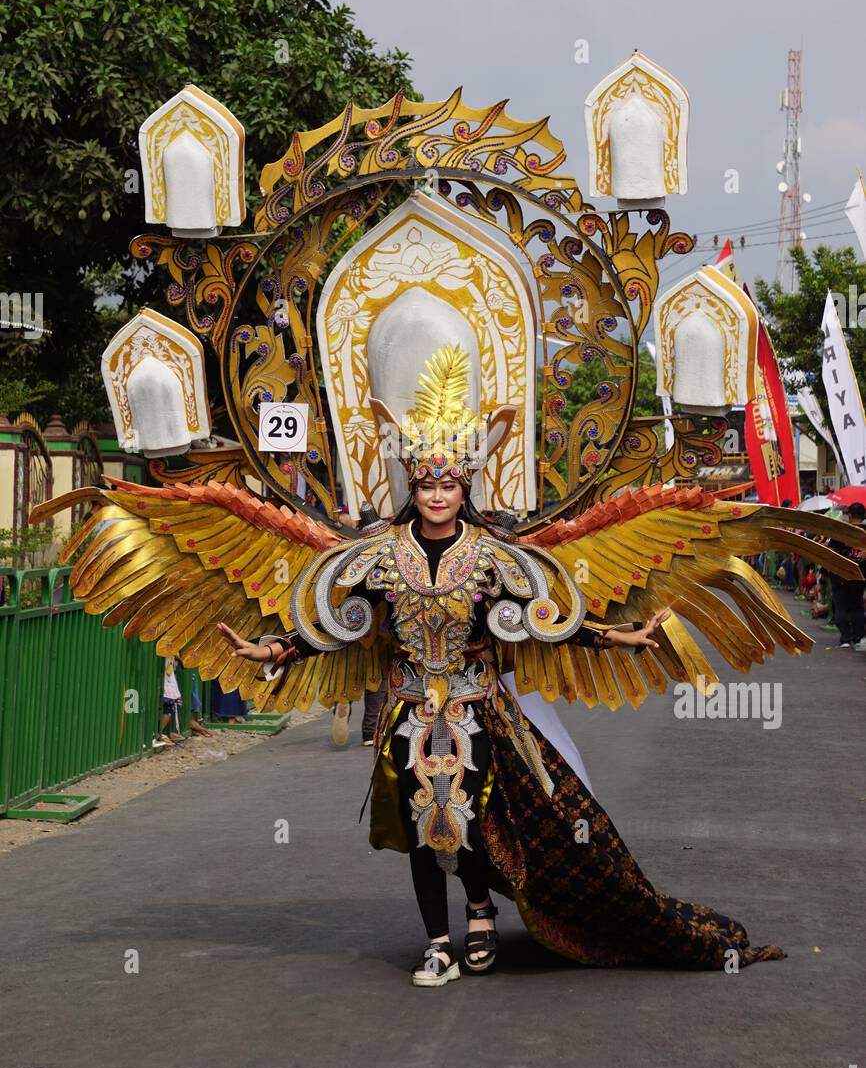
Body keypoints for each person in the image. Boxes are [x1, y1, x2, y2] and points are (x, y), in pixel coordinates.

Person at [216, 348, 786, 987]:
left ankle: (481, 911)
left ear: (465, 488)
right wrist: (274, 651)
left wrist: (615, 638)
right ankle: (437, 942)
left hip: (478, 707)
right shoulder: (378, 556)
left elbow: (550, 619)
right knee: (423, 827)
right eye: (427, 485)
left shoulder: (494, 556)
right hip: (407, 711)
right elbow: (338, 621)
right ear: (415, 487)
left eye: (448, 485)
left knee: (475, 820)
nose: (436, 496)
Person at [827, 501, 866, 648]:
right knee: (856, 606)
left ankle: (845, 638)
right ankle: (857, 637)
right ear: (864, 515)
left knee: (841, 606)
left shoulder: (841, 530)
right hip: (860, 575)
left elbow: (830, 550)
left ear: (848, 515)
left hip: (840, 574)